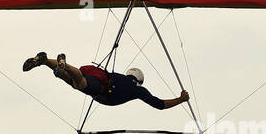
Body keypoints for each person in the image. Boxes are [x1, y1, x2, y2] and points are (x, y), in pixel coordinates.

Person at [24, 52, 189, 110]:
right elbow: (159, 105)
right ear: (139, 80)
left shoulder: (121, 76)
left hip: (97, 73)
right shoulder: (139, 90)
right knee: (79, 83)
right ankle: (63, 66)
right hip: (103, 88)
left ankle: (46, 61)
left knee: (75, 81)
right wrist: (181, 99)